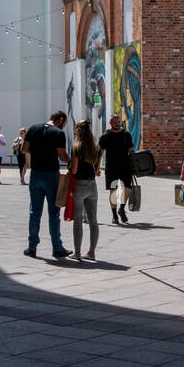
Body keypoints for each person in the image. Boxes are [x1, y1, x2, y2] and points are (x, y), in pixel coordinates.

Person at [22, 109, 71, 259]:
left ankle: (32, 247)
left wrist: (38, 152)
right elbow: (62, 156)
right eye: (64, 123)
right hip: (51, 175)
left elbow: (24, 149)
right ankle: (57, 248)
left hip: (36, 174)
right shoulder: (58, 133)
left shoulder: (33, 128)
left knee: (34, 211)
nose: (63, 127)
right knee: (54, 213)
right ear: (61, 120)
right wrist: (71, 161)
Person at [69, 119, 101, 261]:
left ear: (78, 131)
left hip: (80, 185)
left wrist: (70, 167)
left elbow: (74, 170)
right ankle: (91, 252)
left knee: (78, 221)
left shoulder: (77, 147)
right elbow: (96, 168)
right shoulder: (94, 146)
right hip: (92, 185)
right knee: (93, 221)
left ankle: (77, 253)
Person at [98, 113, 134, 225]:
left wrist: (135, 166)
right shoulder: (105, 136)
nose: (117, 123)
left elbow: (131, 151)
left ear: (120, 122)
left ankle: (121, 209)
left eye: (118, 122)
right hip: (111, 168)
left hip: (126, 167)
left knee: (128, 188)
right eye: (114, 122)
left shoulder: (126, 134)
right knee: (113, 191)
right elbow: (100, 152)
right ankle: (114, 215)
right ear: (110, 123)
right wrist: (97, 167)